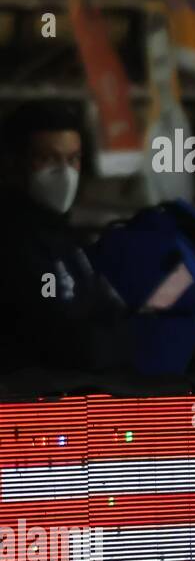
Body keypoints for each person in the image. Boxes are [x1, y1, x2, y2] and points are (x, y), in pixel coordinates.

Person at [0, 102, 137, 375]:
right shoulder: (14, 243)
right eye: (48, 159)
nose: (64, 173)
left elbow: (114, 317)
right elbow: (68, 344)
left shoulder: (69, 241)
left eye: (73, 159)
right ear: (15, 163)